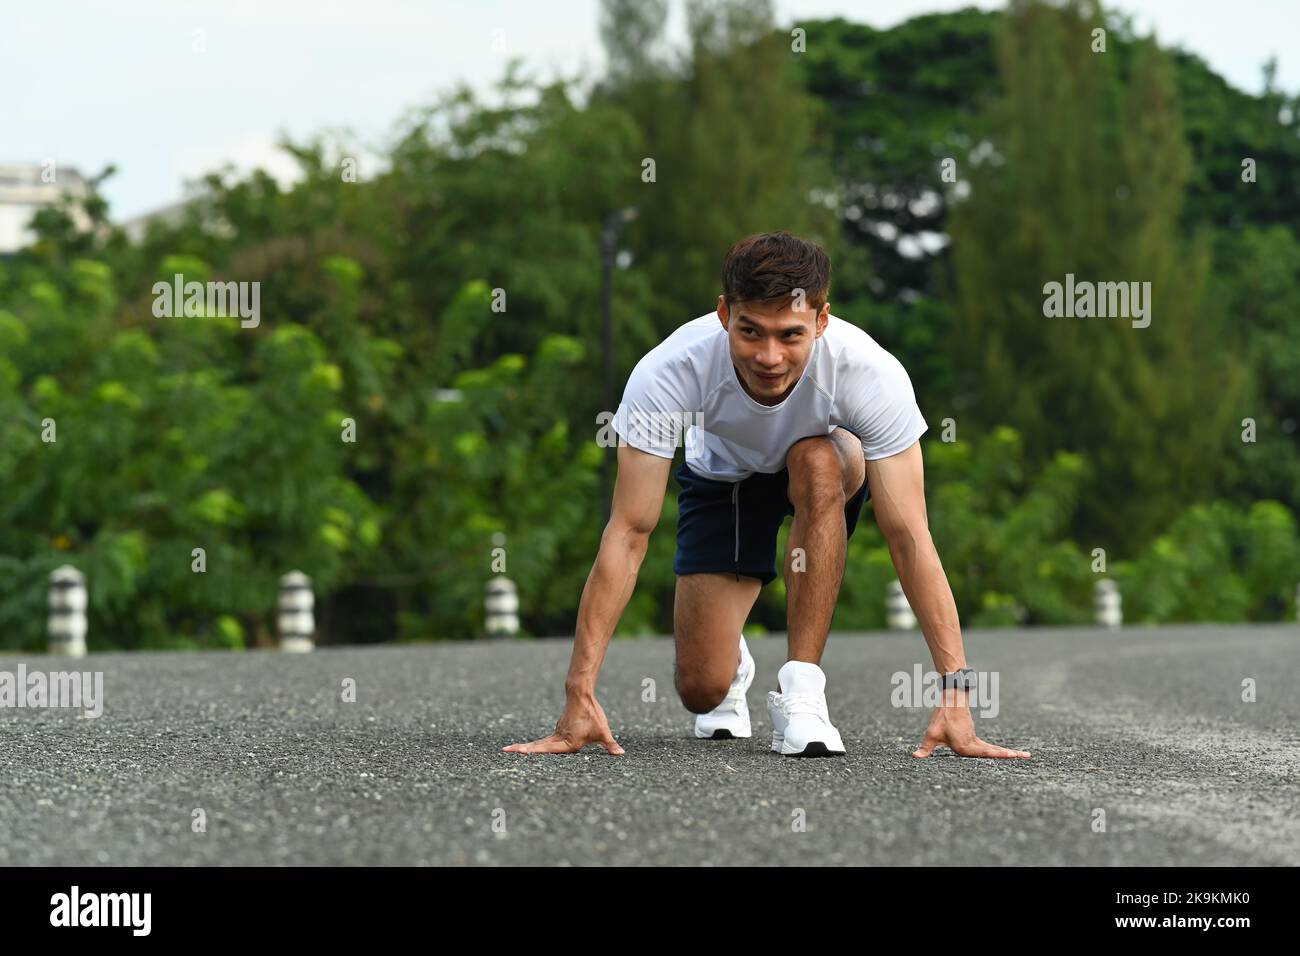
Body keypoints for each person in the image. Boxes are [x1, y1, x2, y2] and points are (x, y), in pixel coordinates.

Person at [504, 231, 1030, 760]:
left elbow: (910, 536)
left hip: (821, 467)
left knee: (817, 460)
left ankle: (803, 694)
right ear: (723, 314)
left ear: (822, 321)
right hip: (724, 479)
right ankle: (733, 662)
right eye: (751, 331)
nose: (770, 357)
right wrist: (579, 692)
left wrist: (956, 694)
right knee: (701, 689)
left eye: (790, 335)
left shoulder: (869, 373)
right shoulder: (668, 372)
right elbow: (629, 532)